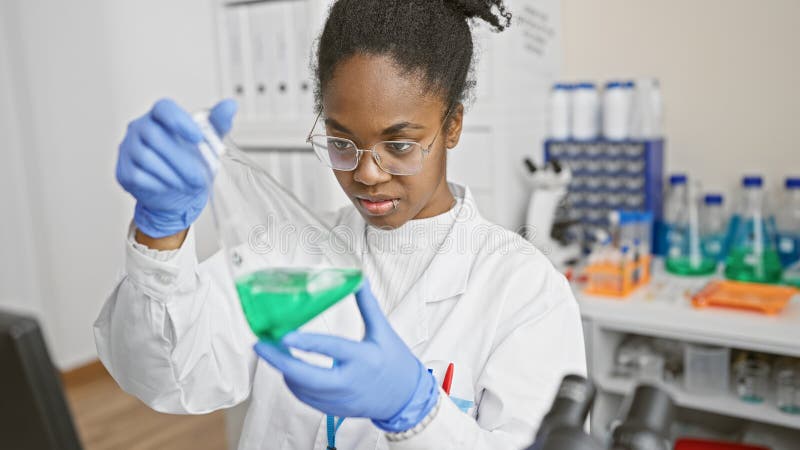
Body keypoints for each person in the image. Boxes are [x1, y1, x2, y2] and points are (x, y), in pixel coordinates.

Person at [94, 0, 586, 448]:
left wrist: (419, 413)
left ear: (451, 125)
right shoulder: (289, 255)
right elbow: (170, 376)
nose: (366, 174)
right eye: (341, 142)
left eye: (399, 145)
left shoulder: (524, 290)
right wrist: (159, 232)